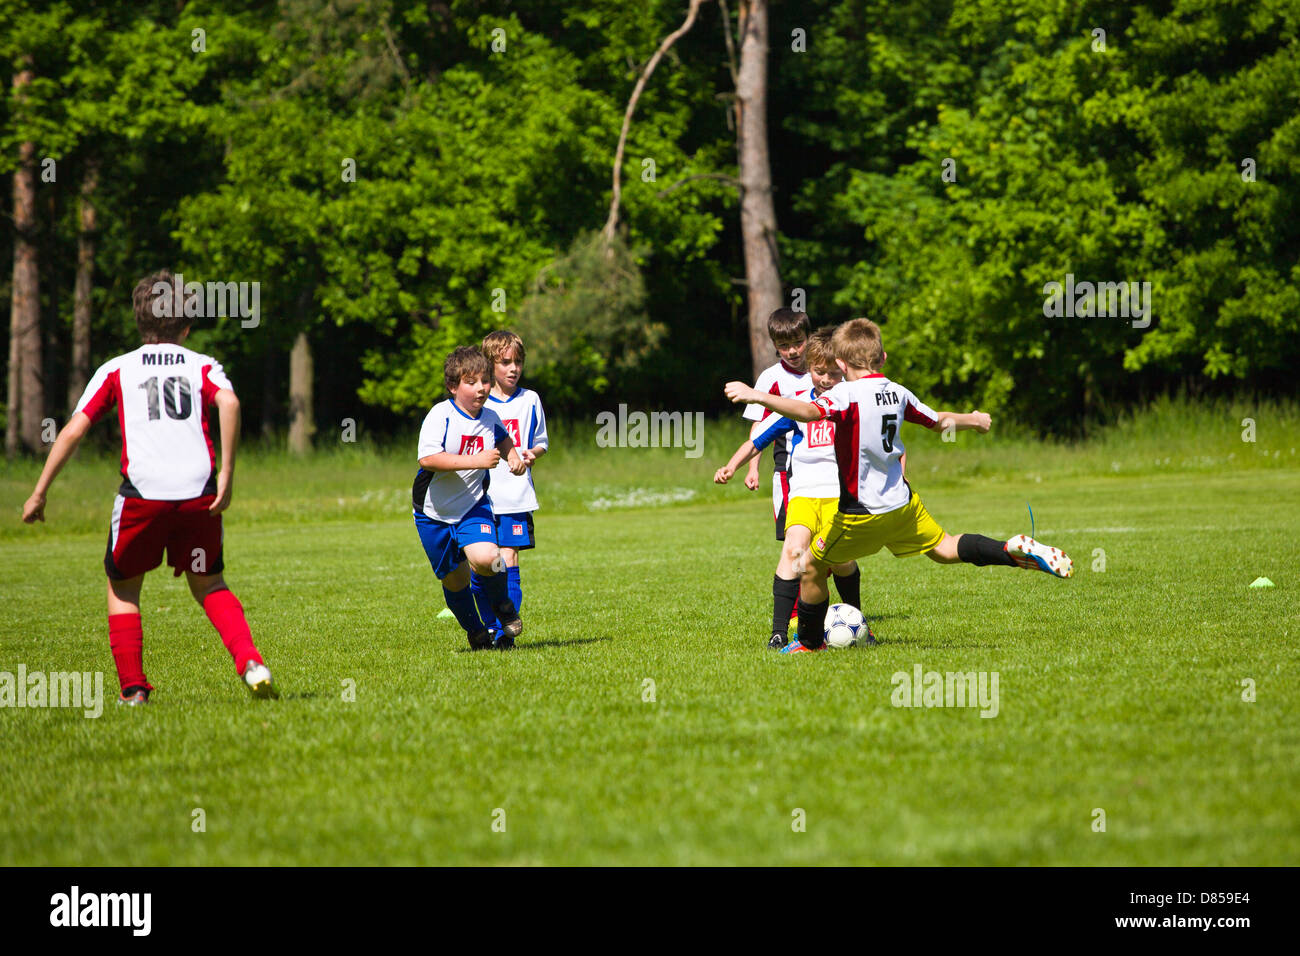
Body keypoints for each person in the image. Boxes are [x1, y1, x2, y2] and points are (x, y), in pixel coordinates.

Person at [724, 318, 1073, 653]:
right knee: (946, 548)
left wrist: (758, 396)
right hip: (904, 506)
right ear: (883, 358)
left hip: (862, 513)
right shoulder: (898, 393)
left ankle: (809, 643)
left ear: (841, 364)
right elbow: (939, 422)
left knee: (810, 566)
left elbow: (806, 411)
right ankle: (1010, 549)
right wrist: (976, 419)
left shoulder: (846, 396)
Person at [21, 269, 278, 702]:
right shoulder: (202, 365)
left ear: (139, 321)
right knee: (209, 583)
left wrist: (39, 492)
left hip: (143, 496)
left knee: (123, 586)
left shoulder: (117, 368)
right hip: (199, 495)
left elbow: (72, 431)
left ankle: (133, 689)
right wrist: (228, 477)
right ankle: (251, 662)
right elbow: (229, 402)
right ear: (187, 324)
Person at [715, 327, 863, 649]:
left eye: (833, 374)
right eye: (818, 372)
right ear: (809, 370)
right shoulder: (795, 406)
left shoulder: (853, 404)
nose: (825, 379)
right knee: (794, 551)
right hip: (803, 494)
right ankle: (779, 632)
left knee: (839, 561)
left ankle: (859, 621)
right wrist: (731, 465)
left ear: (845, 370)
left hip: (839, 497)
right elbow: (757, 440)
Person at [413, 346, 527, 650]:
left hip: (472, 506)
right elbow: (428, 459)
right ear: (453, 386)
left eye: (485, 381)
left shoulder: (490, 416)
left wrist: (513, 457)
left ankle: (503, 606)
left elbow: (502, 438)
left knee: (489, 559)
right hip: (432, 512)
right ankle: (475, 630)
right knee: (455, 580)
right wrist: (476, 460)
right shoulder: (441, 415)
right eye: (471, 382)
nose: (481, 388)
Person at [469, 331, 548, 641]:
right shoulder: (478, 403)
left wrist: (532, 453)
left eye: (518, 362)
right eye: (505, 362)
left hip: (516, 495)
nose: (513, 368)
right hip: (480, 497)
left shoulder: (531, 400)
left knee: (508, 561)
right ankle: (487, 626)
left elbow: (541, 442)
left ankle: (505, 635)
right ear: (490, 365)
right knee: (482, 566)